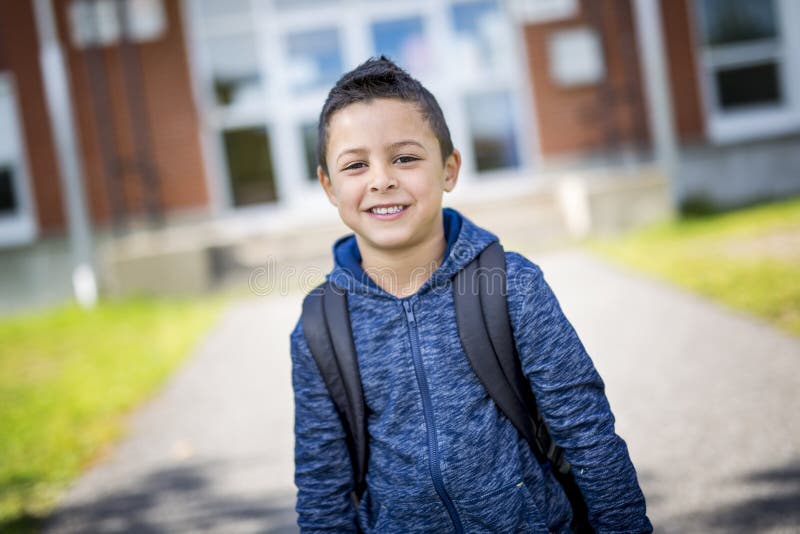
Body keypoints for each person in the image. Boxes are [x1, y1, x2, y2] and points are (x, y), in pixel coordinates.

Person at [290, 56, 652, 533]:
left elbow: (586, 431)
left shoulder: (511, 285)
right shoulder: (320, 327)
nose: (381, 180)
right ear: (329, 186)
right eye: (356, 165)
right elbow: (322, 489)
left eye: (405, 157)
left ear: (449, 168)